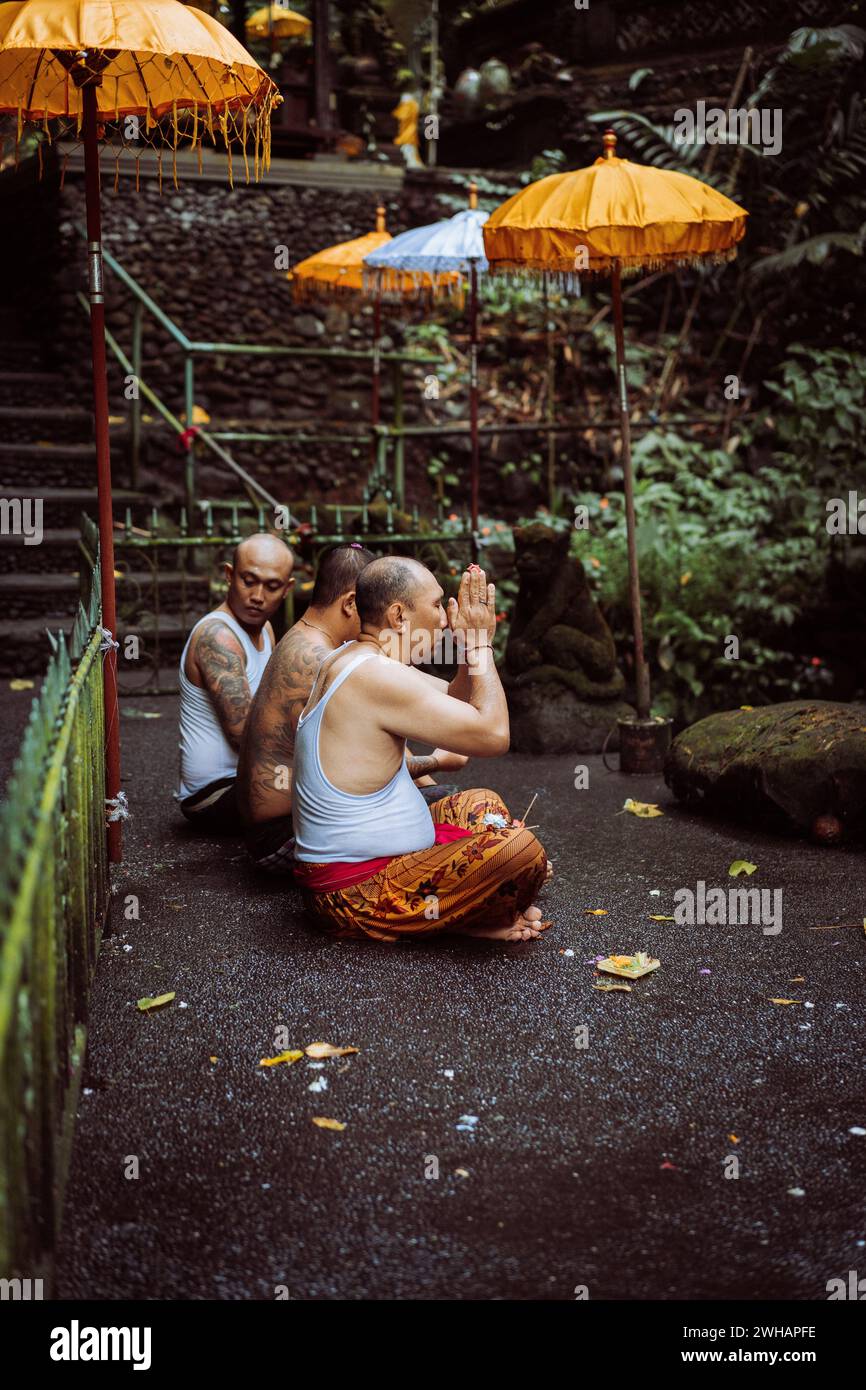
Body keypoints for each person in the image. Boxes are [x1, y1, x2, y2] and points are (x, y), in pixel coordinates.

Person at [291, 558, 552, 943]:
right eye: (435, 606)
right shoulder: (373, 676)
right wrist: (482, 646)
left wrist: (466, 650)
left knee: (481, 803)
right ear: (398, 615)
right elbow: (494, 735)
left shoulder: (356, 658)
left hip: (382, 868)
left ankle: (482, 904)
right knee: (520, 851)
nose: (444, 620)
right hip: (355, 894)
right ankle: (475, 916)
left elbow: (457, 699)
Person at [237, 543, 466, 870]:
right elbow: (374, 774)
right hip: (277, 834)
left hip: (281, 823)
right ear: (351, 604)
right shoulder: (319, 661)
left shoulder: (315, 644)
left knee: (447, 802)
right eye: (372, 608)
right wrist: (438, 762)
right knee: (457, 811)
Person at [175, 532, 294, 831]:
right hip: (214, 793)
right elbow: (245, 735)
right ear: (229, 575)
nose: (257, 596)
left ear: (287, 589)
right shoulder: (218, 636)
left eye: (272, 586)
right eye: (248, 580)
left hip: (251, 777)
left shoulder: (265, 628)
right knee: (340, 790)